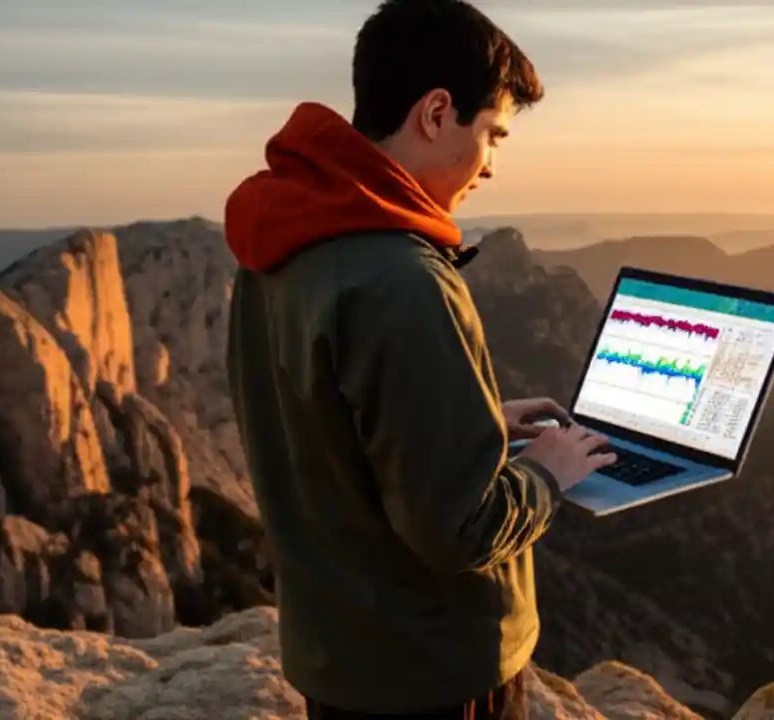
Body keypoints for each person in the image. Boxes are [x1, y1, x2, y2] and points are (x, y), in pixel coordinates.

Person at [221, 1, 617, 717]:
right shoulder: (402, 279)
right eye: (492, 133)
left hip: (341, 657)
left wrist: (472, 421)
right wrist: (546, 472)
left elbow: (320, 420)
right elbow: (460, 530)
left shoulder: (278, 244)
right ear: (437, 113)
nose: (492, 165)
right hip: (433, 674)